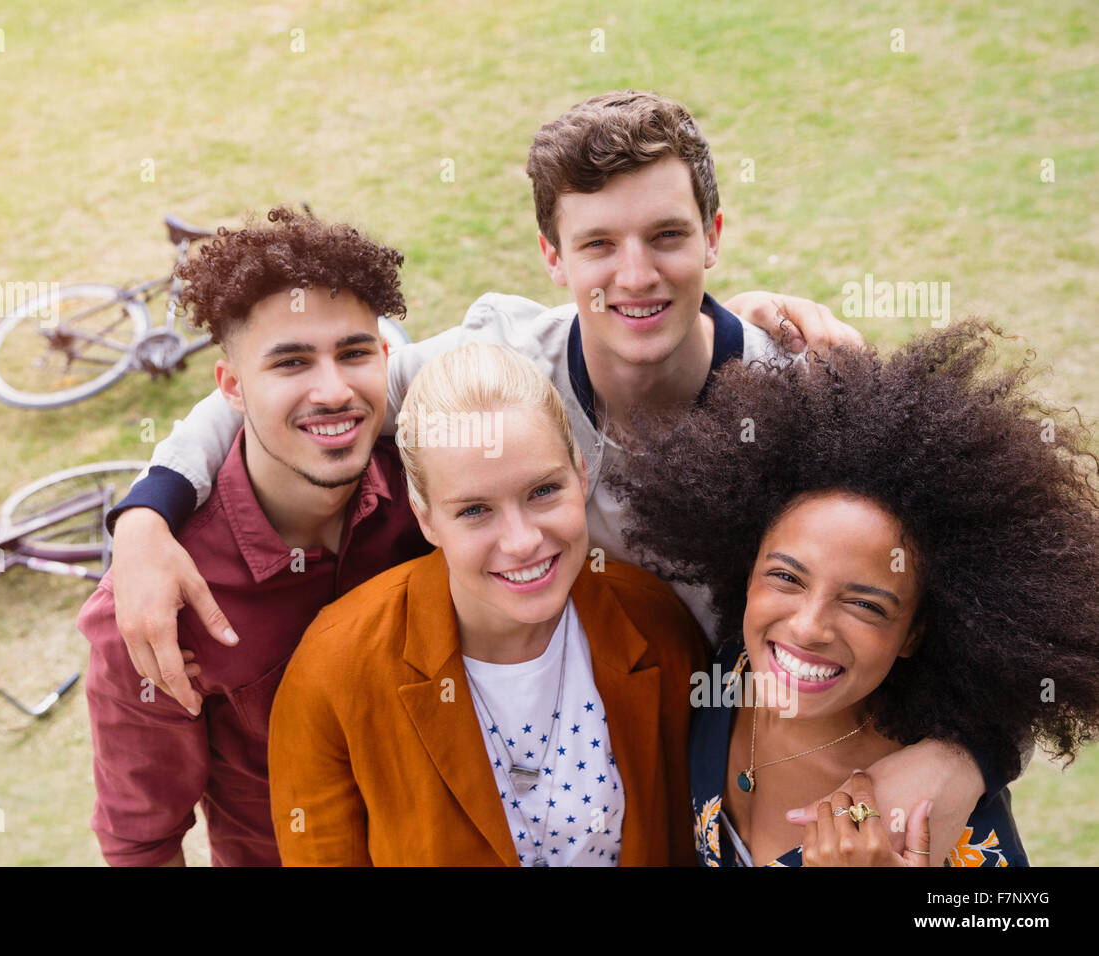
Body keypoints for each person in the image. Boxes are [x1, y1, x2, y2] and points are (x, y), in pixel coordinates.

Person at [106, 91, 996, 856]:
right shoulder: (496, 364)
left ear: (715, 237)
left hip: (788, 762)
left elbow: (962, 602)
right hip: (704, 781)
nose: (637, 274)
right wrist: (146, 515)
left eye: (668, 236)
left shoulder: (806, 403)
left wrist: (972, 756)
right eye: (598, 244)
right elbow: (295, 390)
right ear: (551, 257)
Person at [613, 320, 1099, 866]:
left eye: (866, 605)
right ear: (744, 566)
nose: (808, 627)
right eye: (787, 577)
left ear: (915, 631)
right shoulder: (726, 674)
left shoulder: (938, 824)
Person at [77, 207, 432, 865]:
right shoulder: (152, 603)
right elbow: (142, 842)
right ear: (232, 389)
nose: (333, 390)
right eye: (291, 363)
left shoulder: (437, 490)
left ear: (386, 358)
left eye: (353, 353)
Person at [267, 342, 707, 865]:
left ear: (581, 475)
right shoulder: (336, 668)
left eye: (543, 491)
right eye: (475, 509)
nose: (521, 542)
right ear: (426, 518)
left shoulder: (655, 623)